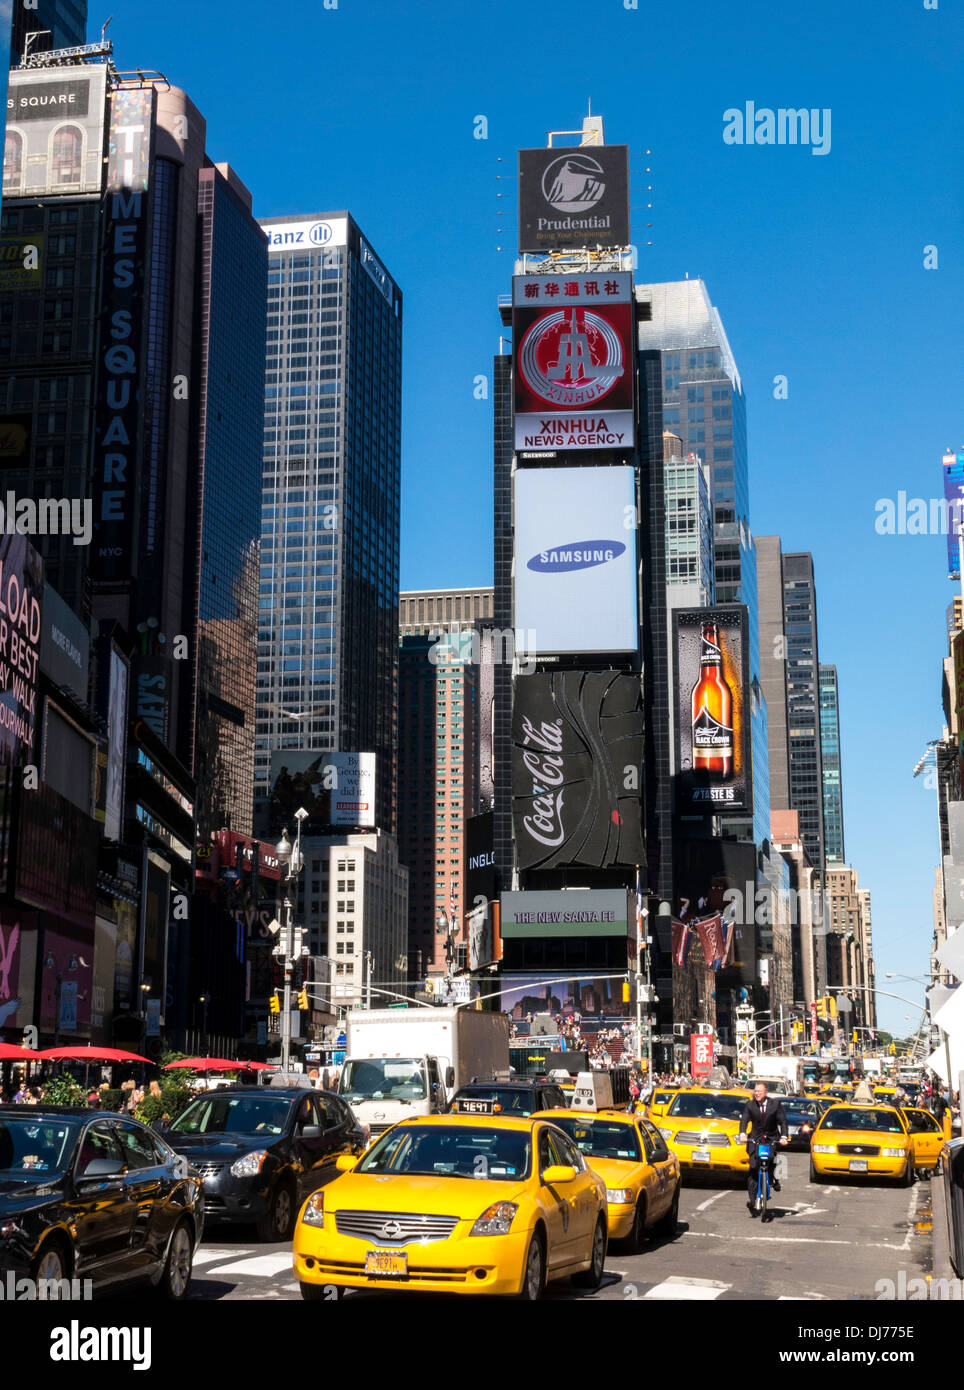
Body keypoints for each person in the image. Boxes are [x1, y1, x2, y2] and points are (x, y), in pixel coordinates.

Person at [738, 1082, 789, 1216]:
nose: (757, 1093)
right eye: (755, 1091)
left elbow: (783, 1121)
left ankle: (774, 1180)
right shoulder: (750, 1105)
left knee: (771, 1161)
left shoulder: (775, 1105)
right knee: (754, 1169)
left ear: (766, 1092)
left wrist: (783, 1136)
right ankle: (753, 1199)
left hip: (770, 1139)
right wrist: (742, 1134)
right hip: (755, 1140)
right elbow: (744, 1120)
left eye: (759, 1091)